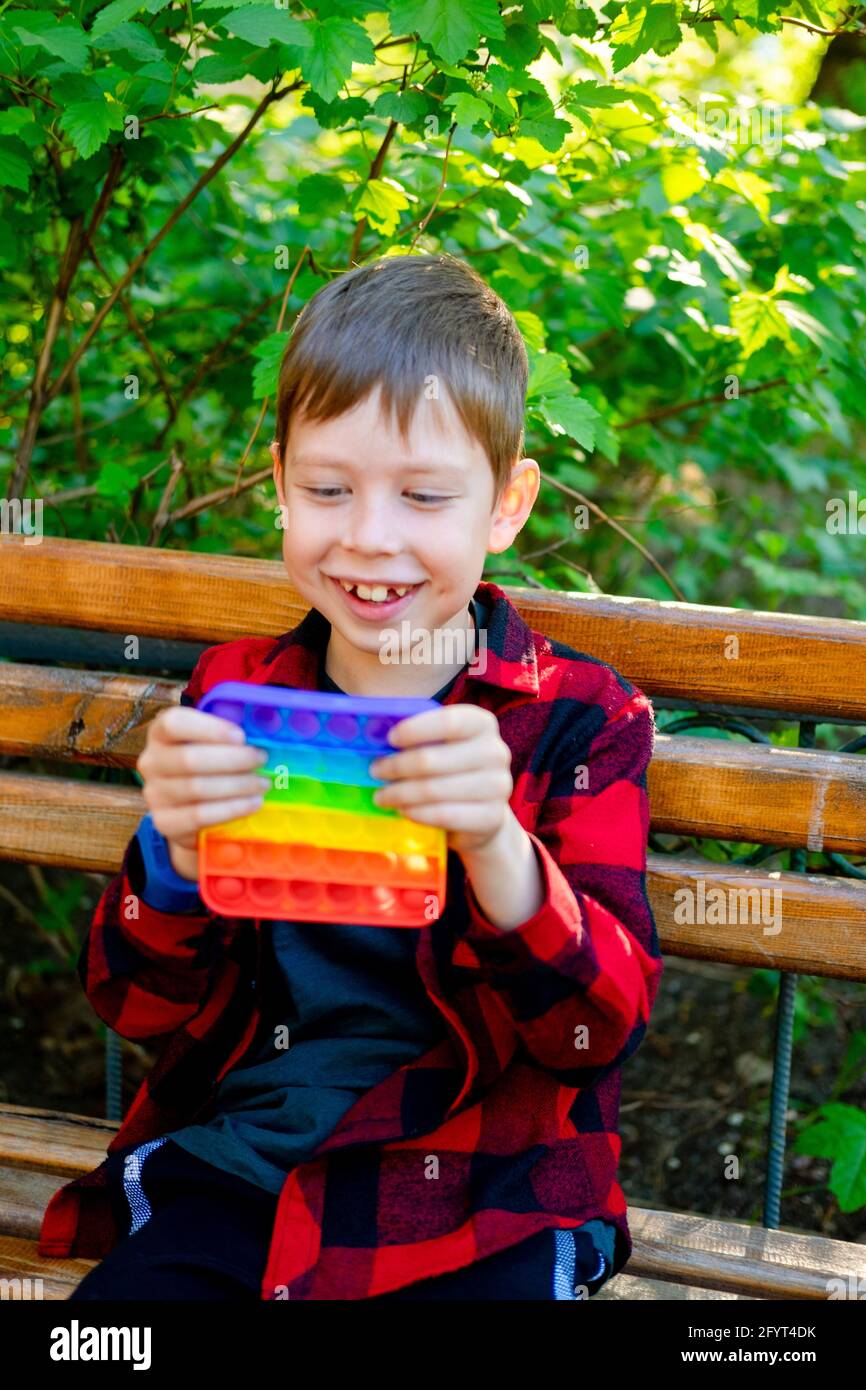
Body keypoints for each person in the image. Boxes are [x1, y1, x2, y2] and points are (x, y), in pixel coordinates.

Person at [40, 252, 664, 1301]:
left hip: (484, 1192)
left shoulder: (575, 720)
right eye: (327, 488)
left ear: (506, 506)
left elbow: (589, 1033)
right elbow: (137, 1002)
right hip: (252, 1171)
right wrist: (178, 855)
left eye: (424, 495)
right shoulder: (237, 693)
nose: (369, 536)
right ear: (280, 478)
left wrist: (499, 852)